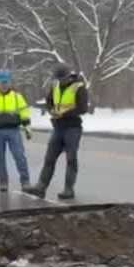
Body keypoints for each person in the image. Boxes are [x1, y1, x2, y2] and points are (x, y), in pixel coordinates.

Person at [25, 64, 88, 200]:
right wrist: (51, 110)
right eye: (59, 79)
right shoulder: (55, 86)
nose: (61, 81)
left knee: (71, 159)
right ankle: (41, 187)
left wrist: (64, 114)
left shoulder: (79, 87)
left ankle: (68, 189)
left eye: (63, 78)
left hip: (73, 127)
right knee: (49, 158)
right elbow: (49, 102)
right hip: (58, 127)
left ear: (69, 76)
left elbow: (83, 108)